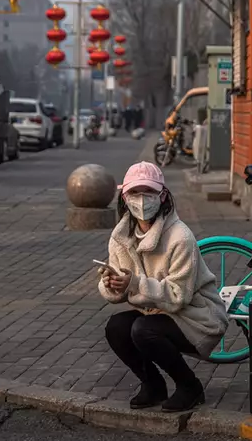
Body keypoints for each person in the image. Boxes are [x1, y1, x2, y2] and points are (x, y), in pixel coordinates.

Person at [97, 162, 228, 412]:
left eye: (149, 191)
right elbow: (119, 288)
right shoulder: (120, 236)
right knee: (116, 327)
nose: (141, 200)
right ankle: (153, 386)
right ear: (124, 197)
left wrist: (134, 283)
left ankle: (190, 386)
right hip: (157, 314)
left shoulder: (180, 237)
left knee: (143, 329)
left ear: (163, 195)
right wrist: (112, 285)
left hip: (198, 318)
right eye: (134, 193)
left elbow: (178, 296)